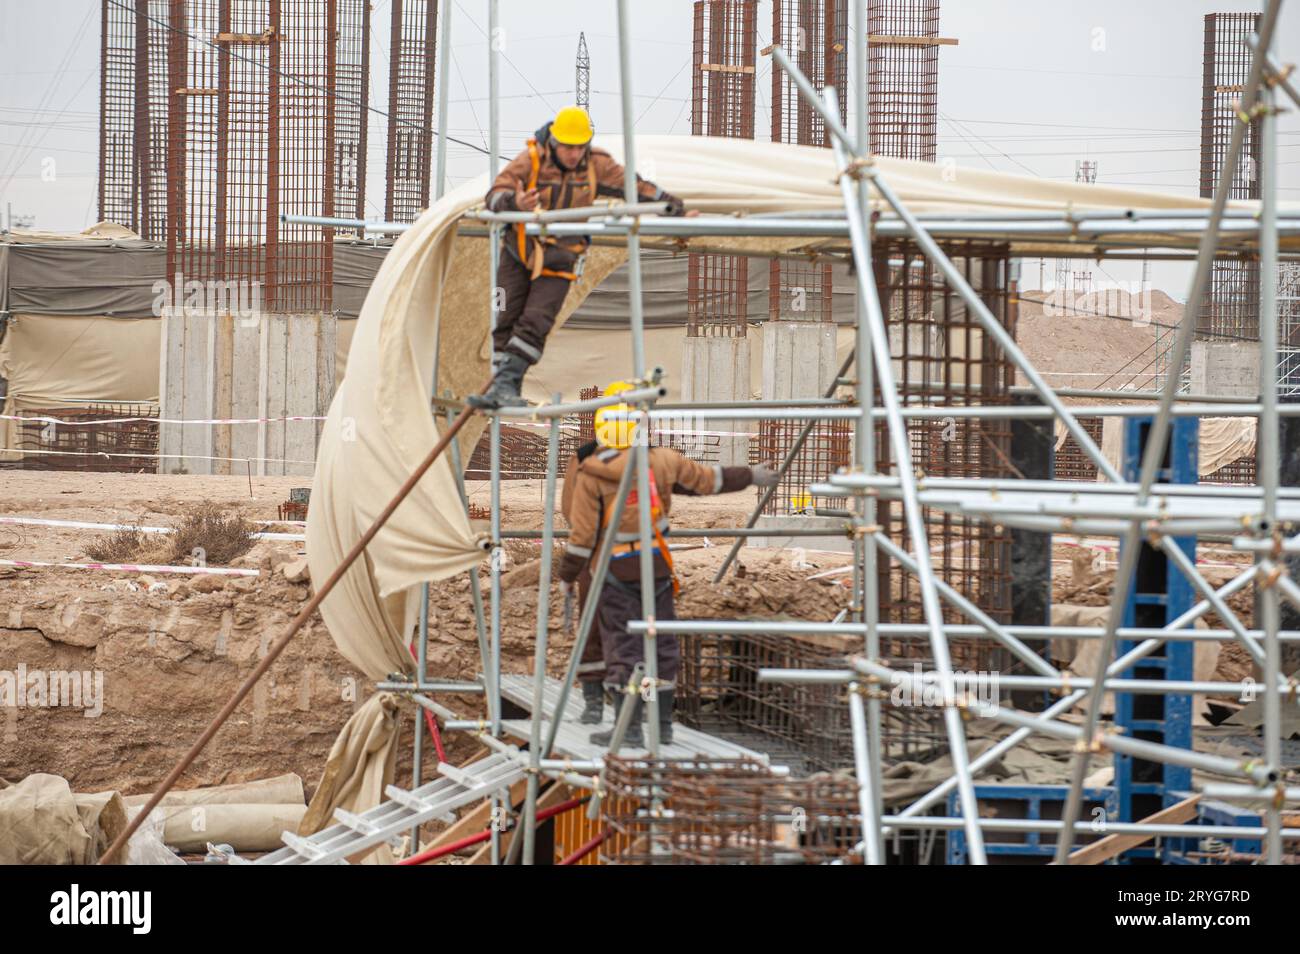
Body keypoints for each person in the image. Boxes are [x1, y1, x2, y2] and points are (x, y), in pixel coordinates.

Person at [557, 383, 780, 746]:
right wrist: (751, 475)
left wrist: (567, 576)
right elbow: (709, 481)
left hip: (614, 570)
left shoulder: (592, 472)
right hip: (657, 567)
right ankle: (661, 725)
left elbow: (581, 536)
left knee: (622, 647)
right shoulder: (661, 460)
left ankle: (628, 728)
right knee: (660, 644)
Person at [468, 106, 691, 411]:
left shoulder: (595, 165)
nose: (573, 154)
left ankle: (504, 387)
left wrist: (674, 207)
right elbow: (495, 195)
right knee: (505, 319)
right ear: (554, 142)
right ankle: (501, 387)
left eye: (579, 147)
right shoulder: (531, 161)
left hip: (560, 258)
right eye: (567, 147)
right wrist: (515, 202)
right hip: (518, 252)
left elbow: (635, 187)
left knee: (536, 321)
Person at [559, 437, 607, 724]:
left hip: (597, 558)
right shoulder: (646, 458)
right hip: (632, 560)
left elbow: (572, 513)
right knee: (638, 641)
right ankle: (637, 711)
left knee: (594, 632)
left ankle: (596, 706)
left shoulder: (584, 457)